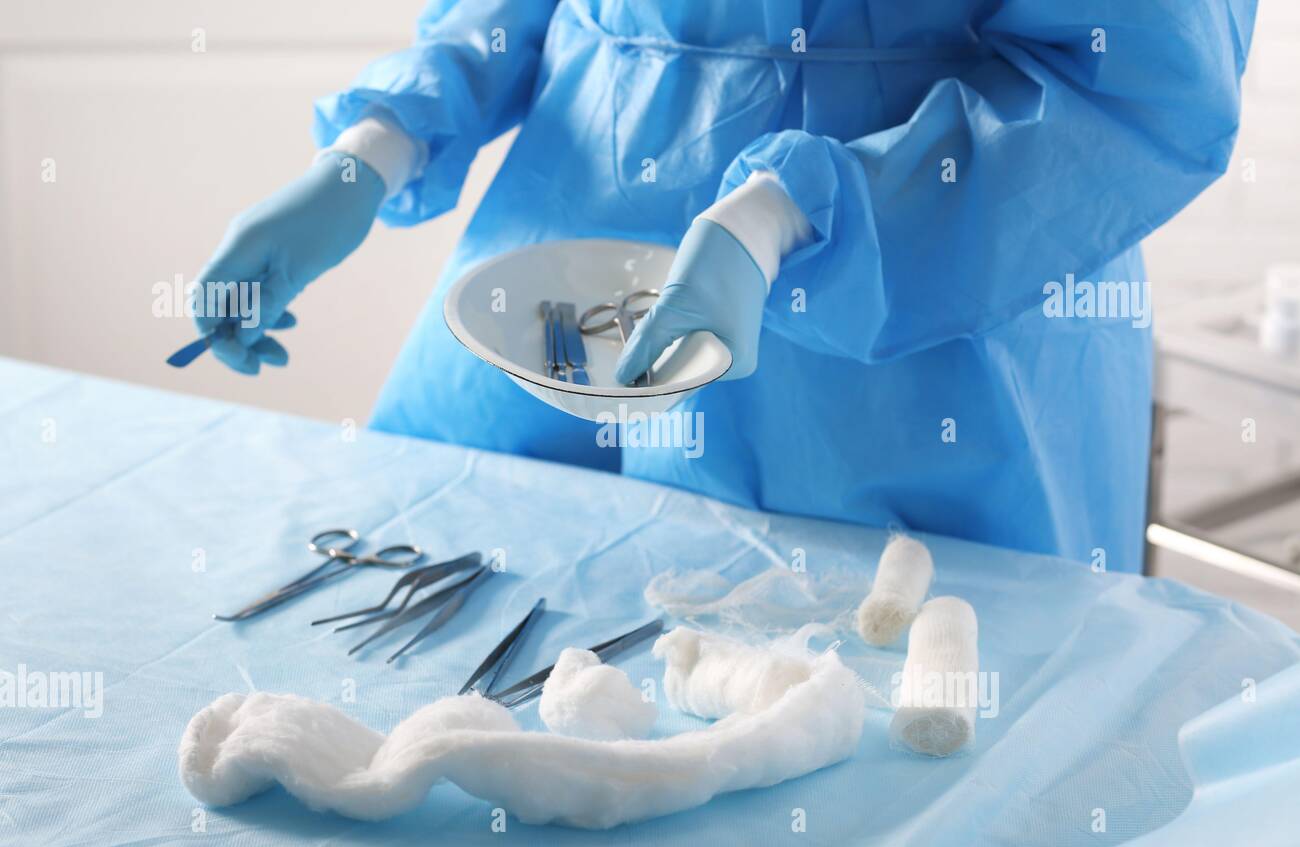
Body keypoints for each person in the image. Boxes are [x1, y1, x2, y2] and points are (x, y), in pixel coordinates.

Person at [191, 0, 1256, 573]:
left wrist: (793, 215)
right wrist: (376, 147)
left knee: (878, 736)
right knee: (463, 687)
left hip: (912, 333)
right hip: (558, 265)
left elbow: (1132, 87)